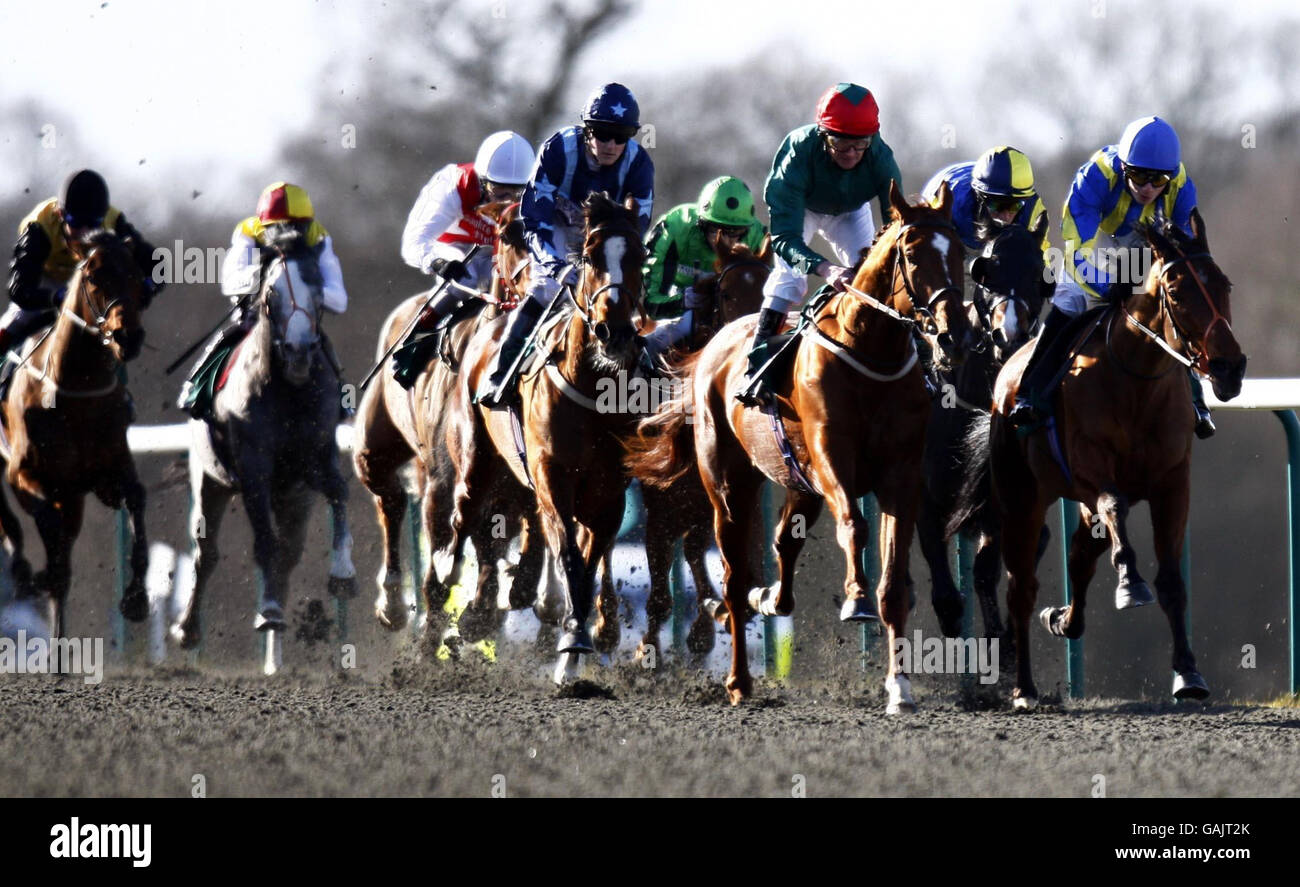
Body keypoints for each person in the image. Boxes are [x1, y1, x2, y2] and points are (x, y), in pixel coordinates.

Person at [1008, 115, 1215, 437]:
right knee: (1069, 299)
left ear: (1170, 177)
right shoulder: (1094, 177)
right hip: (1096, 242)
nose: (1148, 187)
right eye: (1139, 176)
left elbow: (1186, 253)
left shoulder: (1181, 186)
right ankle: (1029, 392)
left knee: (1170, 312)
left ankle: (1197, 403)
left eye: (1158, 179)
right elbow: (1077, 254)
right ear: (1123, 168)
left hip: (1143, 244)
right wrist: (1107, 289)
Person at [476, 82, 654, 407]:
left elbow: (637, 225)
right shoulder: (558, 148)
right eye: (602, 134)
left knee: (626, 291)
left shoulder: (639, 163)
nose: (612, 144)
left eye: (622, 136)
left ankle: (647, 377)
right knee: (544, 289)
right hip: (556, 222)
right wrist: (555, 265)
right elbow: (534, 218)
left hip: (603, 234)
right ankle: (501, 372)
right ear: (588, 131)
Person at [737, 82, 902, 405]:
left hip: (851, 211)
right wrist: (825, 269)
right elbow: (784, 241)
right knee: (790, 280)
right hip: (804, 210)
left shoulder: (882, 157)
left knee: (880, 275)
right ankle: (757, 366)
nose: (852, 154)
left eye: (860, 145)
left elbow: (897, 225)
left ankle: (916, 358)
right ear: (823, 134)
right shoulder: (797, 154)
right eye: (841, 145)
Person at [177, 182, 348, 418]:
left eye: (296, 226)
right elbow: (230, 281)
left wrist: (307, 289)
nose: (288, 233)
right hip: (256, 319)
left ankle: (343, 399)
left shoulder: (319, 238)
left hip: (300, 322)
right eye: (277, 227)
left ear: (307, 224)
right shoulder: (248, 232)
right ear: (264, 225)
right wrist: (267, 275)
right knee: (228, 337)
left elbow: (339, 300)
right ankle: (194, 386)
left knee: (325, 348)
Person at [5, 169, 163, 360]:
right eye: (76, 222)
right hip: (48, 284)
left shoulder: (114, 223)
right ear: (60, 214)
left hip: (95, 288)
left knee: (123, 333)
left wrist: (147, 288)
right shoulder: (40, 227)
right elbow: (19, 289)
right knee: (12, 325)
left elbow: (158, 266)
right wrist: (58, 297)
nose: (84, 233)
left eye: (93, 223)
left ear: (102, 218)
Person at [399, 131, 535, 328]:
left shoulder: (535, 195)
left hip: (500, 255)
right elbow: (414, 241)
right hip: (454, 247)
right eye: (499, 190)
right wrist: (435, 262)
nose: (507, 201)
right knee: (466, 278)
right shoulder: (454, 185)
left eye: (517, 193)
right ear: (482, 181)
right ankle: (414, 342)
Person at [640, 175, 767, 360]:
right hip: (682, 298)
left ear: (746, 229)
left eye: (736, 233)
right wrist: (680, 301)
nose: (725, 241)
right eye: (716, 231)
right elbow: (652, 304)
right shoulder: (675, 227)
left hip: (735, 306)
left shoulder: (759, 237)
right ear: (701, 223)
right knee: (679, 327)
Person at [922, 145, 1049, 255]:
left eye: (1014, 206)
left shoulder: (1034, 214)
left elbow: (1042, 268)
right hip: (952, 229)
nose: (1005, 216)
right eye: (998, 205)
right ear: (979, 197)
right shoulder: (951, 205)